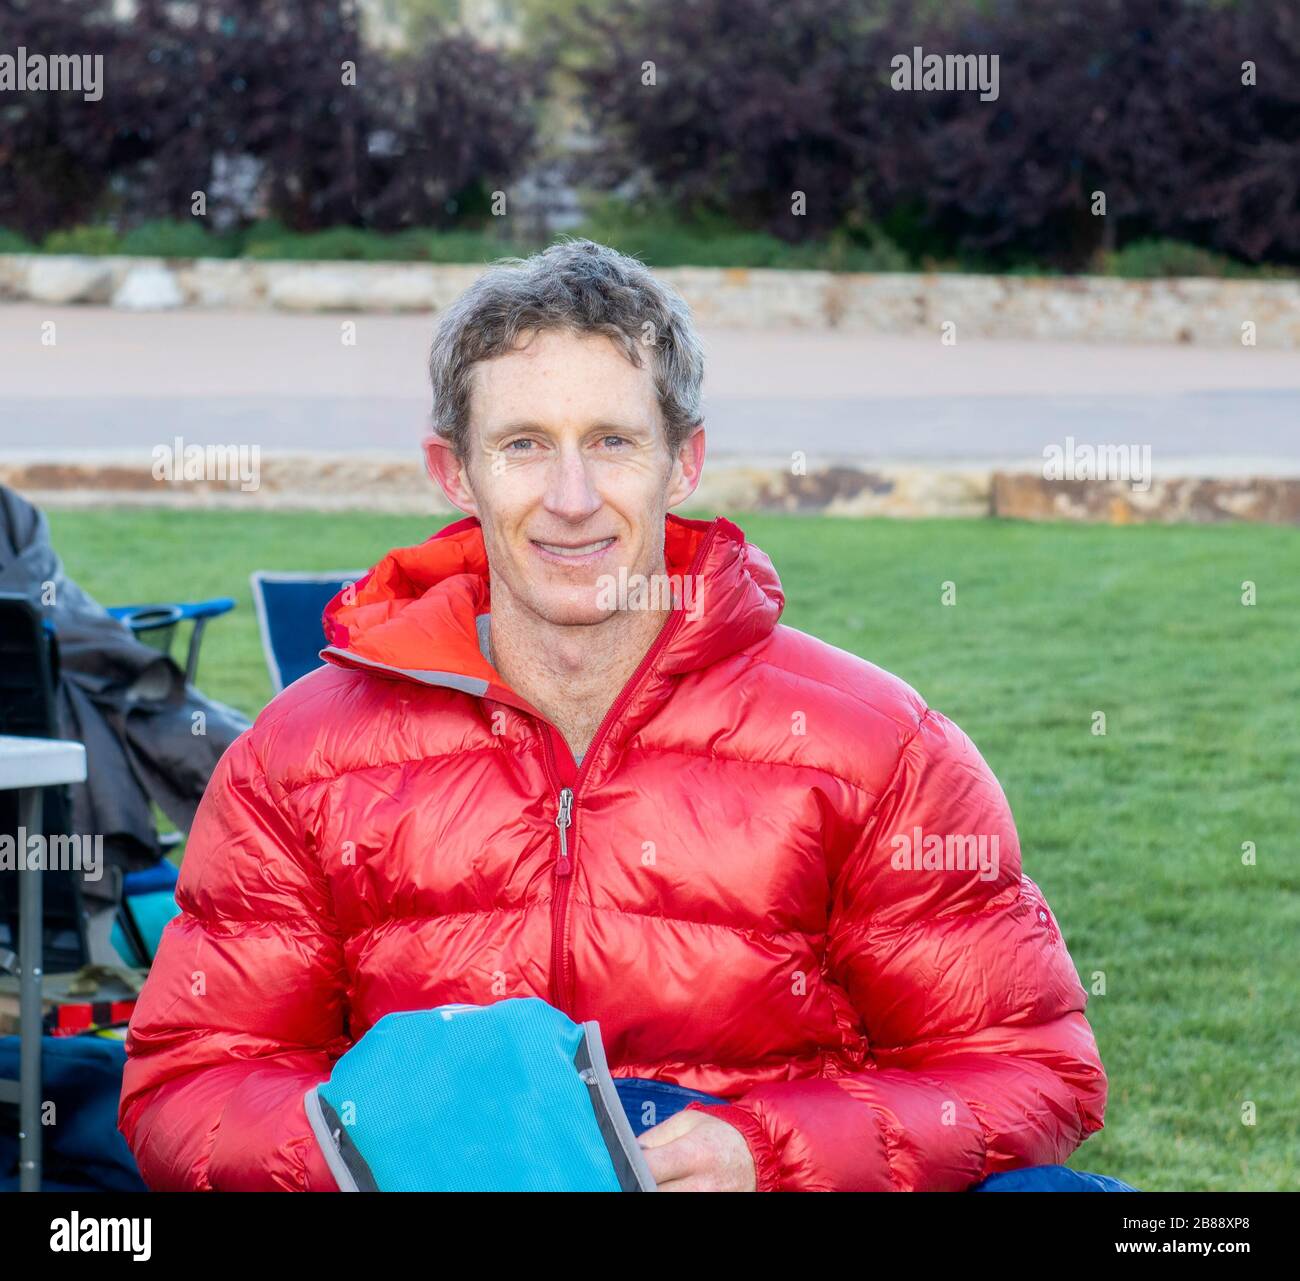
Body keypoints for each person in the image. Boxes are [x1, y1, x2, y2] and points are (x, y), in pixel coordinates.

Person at [118, 238, 1115, 1192]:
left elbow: (1027, 1072)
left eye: (612, 442)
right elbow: (186, 1087)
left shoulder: (877, 748)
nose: (572, 497)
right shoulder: (301, 754)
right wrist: (389, 1142)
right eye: (522, 446)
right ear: (453, 471)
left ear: (683, 462)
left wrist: (766, 1154)